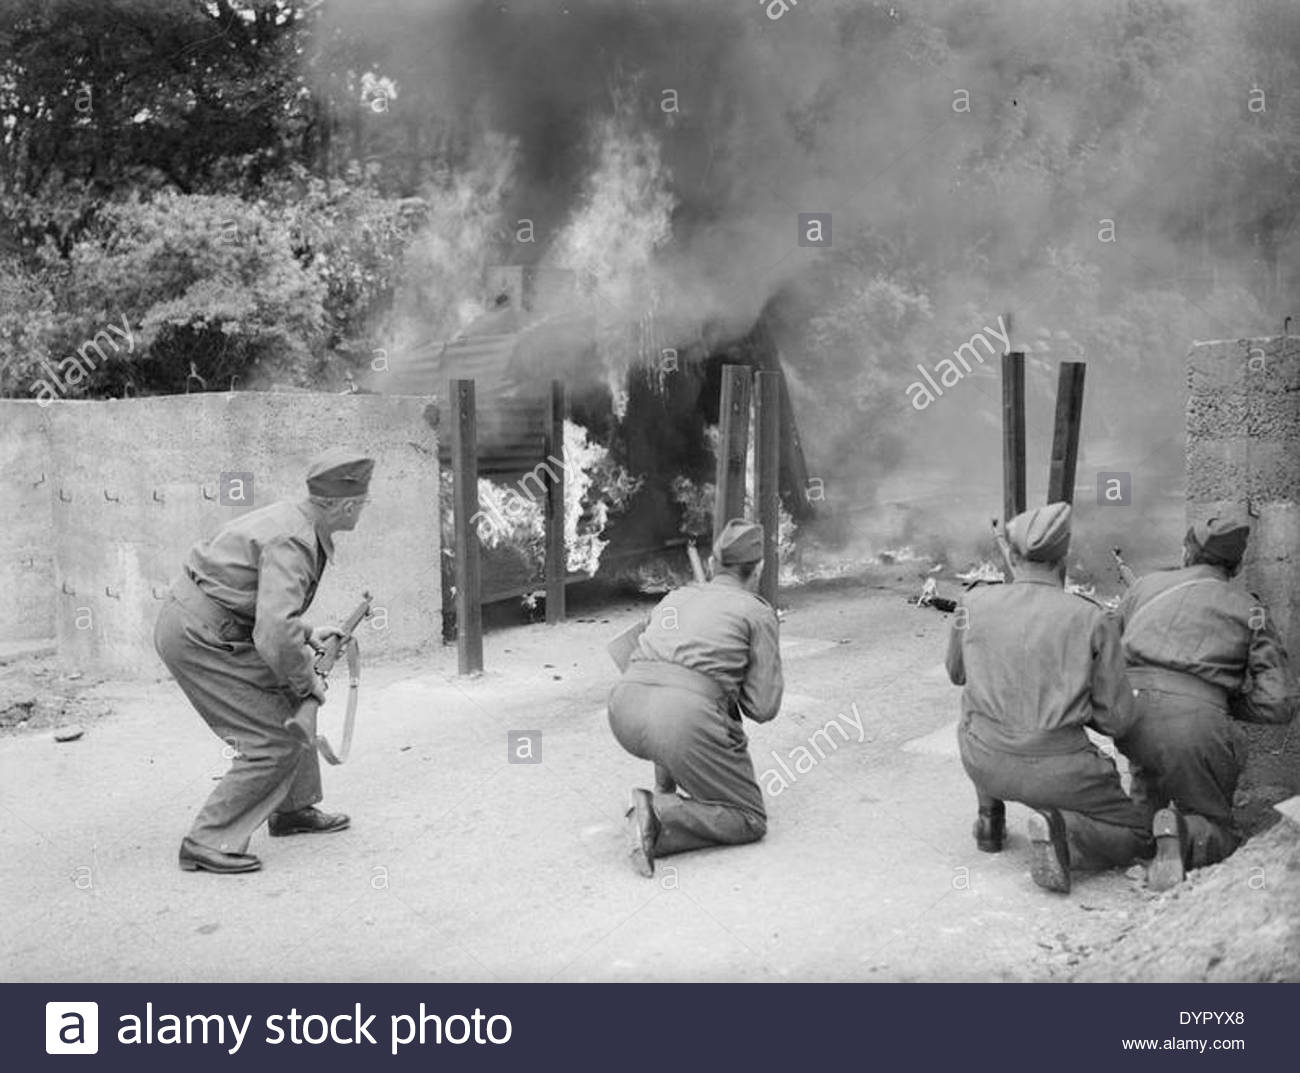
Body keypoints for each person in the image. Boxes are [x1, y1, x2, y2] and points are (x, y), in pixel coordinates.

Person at [155, 449, 375, 874]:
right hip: (199, 636)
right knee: (270, 739)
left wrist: (308, 635)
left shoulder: (296, 519)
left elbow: (263, 605)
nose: (364, 508)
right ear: (347, 505)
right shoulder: (294, 539)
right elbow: (273, 634)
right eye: (364, 502)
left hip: (210, 622)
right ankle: (207, 840)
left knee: (290, 705)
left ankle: (292, 810)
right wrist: (307, 680)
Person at [946, 502, 1154, 893]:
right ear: (1063, 555)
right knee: (1140, 834)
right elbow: (1116, 721)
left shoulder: (971, 603)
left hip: (983, 760)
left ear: (1012, 554)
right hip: (1060, 774)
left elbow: (957, 674)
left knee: (977, 704)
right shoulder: (1092, 619)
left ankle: (989, 817)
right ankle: (1063, 832)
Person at [1116, 516, 1298, 890]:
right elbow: (1279, 703)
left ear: (1187, 551)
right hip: (1197, 727)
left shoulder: (1145, 586)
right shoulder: (1251, 608)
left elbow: (1106, 653)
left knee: (1140, 816)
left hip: (1130, 718)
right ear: (1237, 565)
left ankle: (1107, 831)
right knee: (1221, 830)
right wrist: (1219, 703)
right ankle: (1184, 833)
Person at [608, 518, 783, 877]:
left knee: (679, 690)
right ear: (759, 568)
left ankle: (663, 791)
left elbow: (631, 651)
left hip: (623, 710)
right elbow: (763, 708)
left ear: (712, 564)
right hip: (679, 723)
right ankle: (657, 815)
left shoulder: (676, 596)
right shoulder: (757, 611)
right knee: (749, 819)